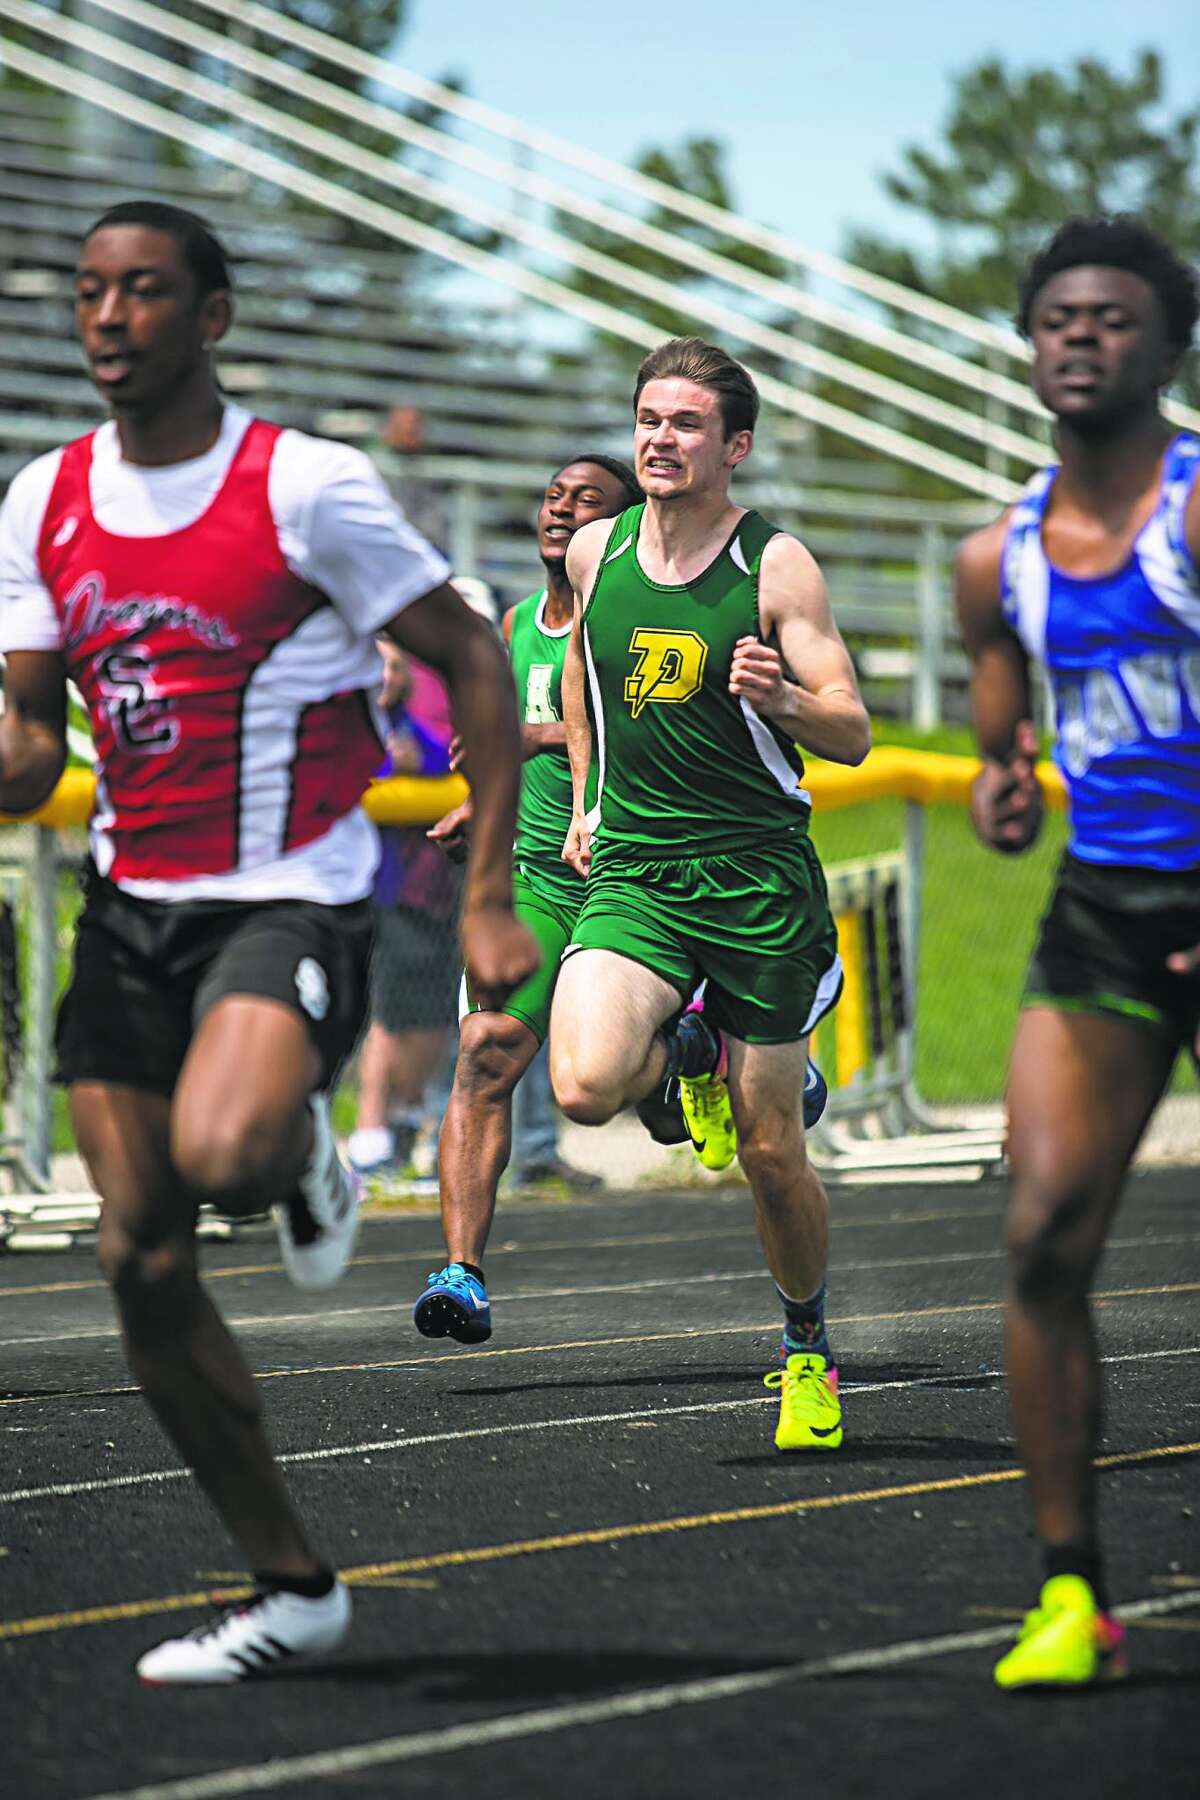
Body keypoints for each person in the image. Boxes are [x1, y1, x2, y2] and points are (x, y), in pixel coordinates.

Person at [0, 200, 536, 1684]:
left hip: (286, 894)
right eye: (91, 292)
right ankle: (292, 1586)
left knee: (226, 1156)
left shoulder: (307, 488)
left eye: (147, 292)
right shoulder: (41, 500)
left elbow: (473, 662)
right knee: (141, 1265)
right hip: (130, 914)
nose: (111, 317)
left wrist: (487, 891)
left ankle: (303, 1152)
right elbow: (36, 744)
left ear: (214, 314)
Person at [955, 215, 1200, 1689]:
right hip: (1109, 904)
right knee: (1043, 1237)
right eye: (1057, 317)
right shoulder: (999, 556)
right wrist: (998, 787)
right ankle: (1070, 1596)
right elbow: (1004, 740)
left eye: (1111, 316)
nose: (1080, 337)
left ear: (1169, 341)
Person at [550, 338, 869, 1452]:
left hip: (756, 881)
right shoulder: (599, 550)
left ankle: (807, 1352)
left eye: (686, 423)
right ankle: (692, 1053)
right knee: (586, 1084)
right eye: (648, 417)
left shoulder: (776, 568)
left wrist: (784, 699)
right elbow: (583, 682)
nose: (659, 438)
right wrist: (586, 799)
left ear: (734, 446)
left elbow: (856, 732)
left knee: (771, 1147)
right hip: (637, 866)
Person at [414, 455, 641, 1342]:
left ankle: (699, 1051)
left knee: (620, 1088)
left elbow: (617, 728)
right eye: (553, 494)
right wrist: (485, 796)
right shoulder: (514, 624)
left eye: (588, 501)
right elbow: (520, 744)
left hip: (626, 877)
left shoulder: (627, 616)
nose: (562, 508)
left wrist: (531, 731)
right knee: (484, 1054)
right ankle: (461, 1273)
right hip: (540, 879)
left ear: (618, 531)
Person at [347, 638, 463, 1177]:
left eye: (396, 667)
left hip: (432, 887)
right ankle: (370, 1126)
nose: (388, 676)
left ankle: (406, 1116)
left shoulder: (410, 721)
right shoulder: (350, 719)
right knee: (388, 1014)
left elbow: (446, 763)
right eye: (379, 666)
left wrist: (420, 760)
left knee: (433, 1014)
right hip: (378, 888)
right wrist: (394, 771)